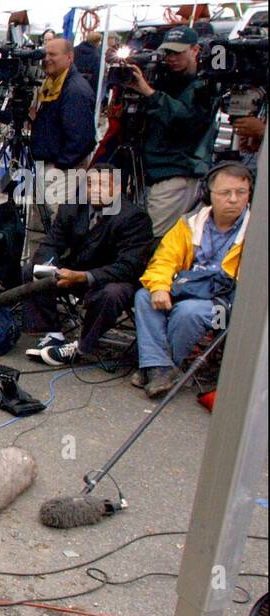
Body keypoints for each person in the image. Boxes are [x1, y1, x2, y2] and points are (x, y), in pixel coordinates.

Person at [132, 162, 250, 399]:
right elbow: (163, 260)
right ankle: (163, 369)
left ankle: (156, 367)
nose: (234, 199)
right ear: (208, 194)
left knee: (188, 311)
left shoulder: (256, 231)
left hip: (224, 304)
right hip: (188, 288)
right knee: (144, 296)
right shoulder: (189, 223)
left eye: (241, 193)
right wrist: (160, 288)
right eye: (226, 193)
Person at [23, 165, 156, 365]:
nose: (94, 190)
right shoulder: (72, 207)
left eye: (102, 185)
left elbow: (129, 266)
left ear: (119, 188)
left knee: (111, 294)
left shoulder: (134, 217)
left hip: (112, 278)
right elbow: (51, 243)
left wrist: (82, 276)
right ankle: (52, 333)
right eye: (91, 184)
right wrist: (49, 267)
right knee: (32, 270)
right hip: (75, 271)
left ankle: (82, 347)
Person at [122, 25, 221, 238]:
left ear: (195, 50)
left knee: (152, 239)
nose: (171, 58)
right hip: (148, 171)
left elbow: (187, 121)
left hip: (176, 172)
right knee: (137, 233)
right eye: (168, 52)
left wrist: (149, 93)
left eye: (178, 52)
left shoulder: (203, 85)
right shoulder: (162, 77)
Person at [30, 37, 98, 209]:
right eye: (45, 54)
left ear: (70, 57)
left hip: (63, 169)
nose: (47, 59)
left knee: (58, 220)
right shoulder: (52, 84)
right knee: (42, 220)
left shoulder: (74, 90)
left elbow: (83, 138)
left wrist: (61, 165)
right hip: (49, 163)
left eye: (53, 54)